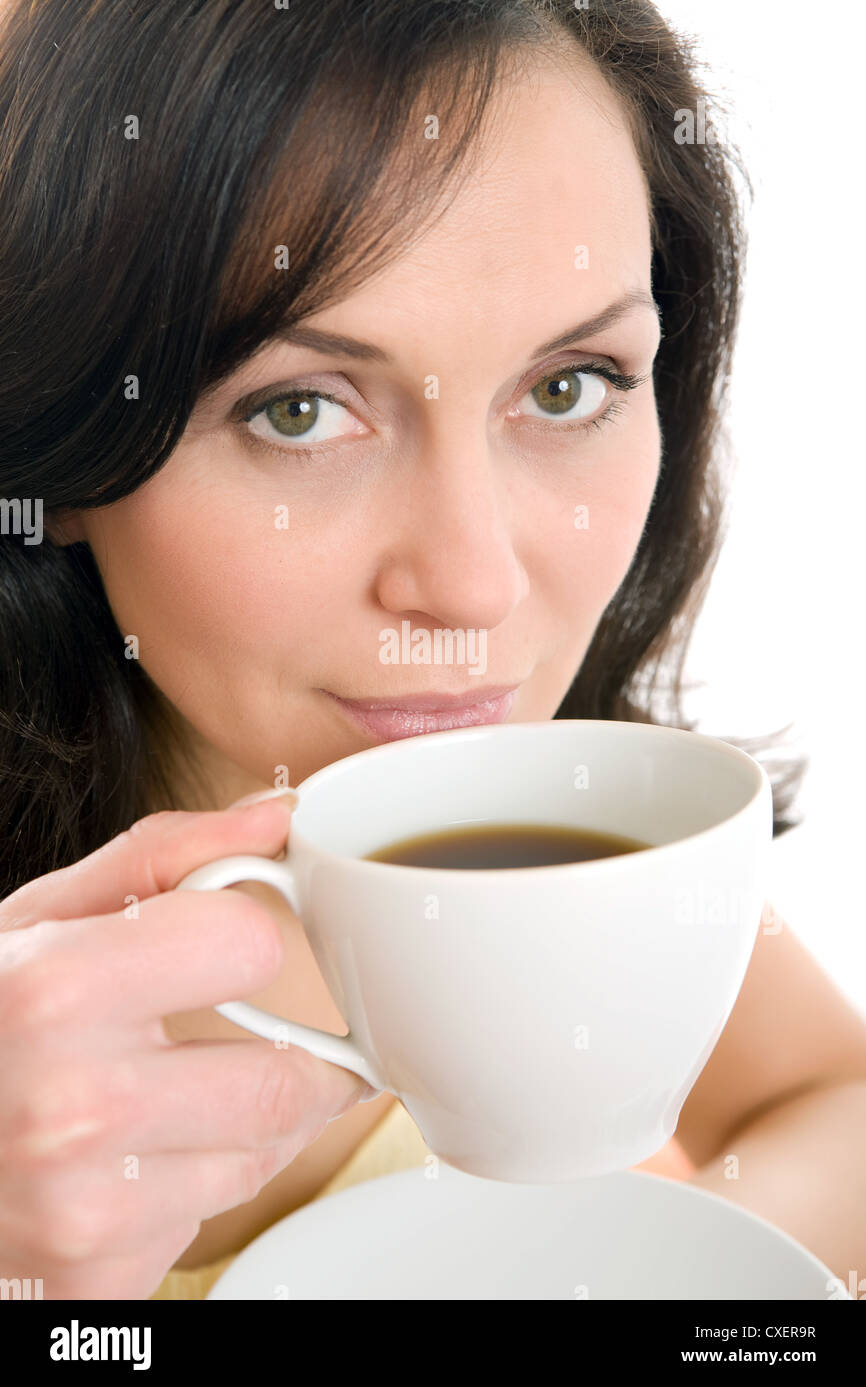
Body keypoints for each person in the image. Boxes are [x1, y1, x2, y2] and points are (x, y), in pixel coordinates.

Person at [1, 0, 864, 1302]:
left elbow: (831, 1094)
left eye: (568, 384)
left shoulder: (590, 848)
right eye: (298, 409)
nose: (470, 582)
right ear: (56, 447)